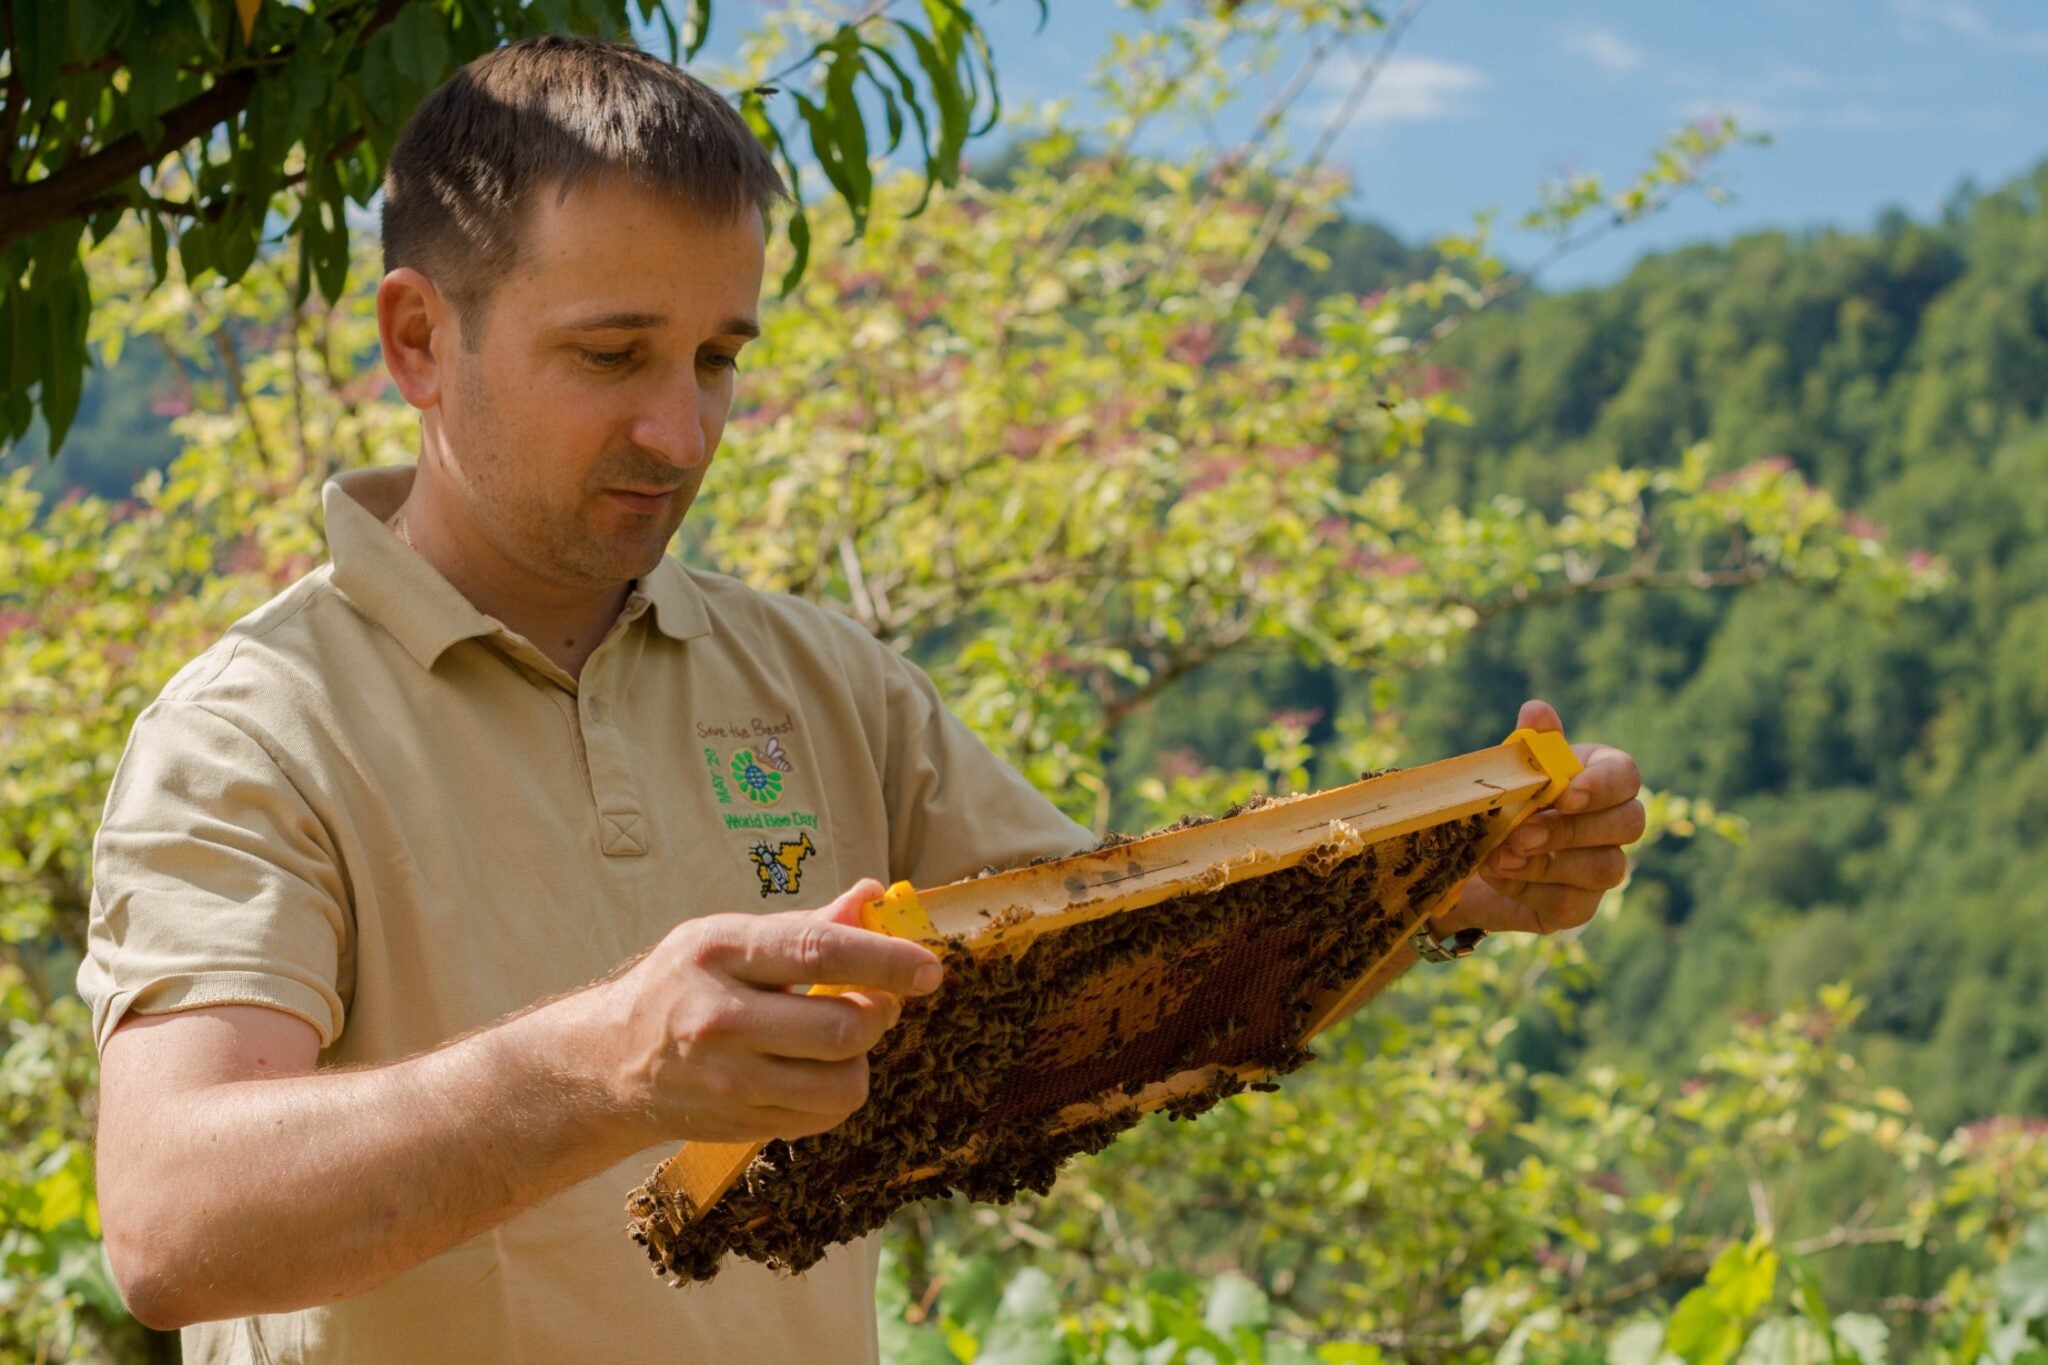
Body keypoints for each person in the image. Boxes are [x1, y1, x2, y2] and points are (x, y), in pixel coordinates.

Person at [79, 34, 1645, 1365]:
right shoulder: (253, 730)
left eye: (717, 357)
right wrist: (601, 1063)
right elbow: (170, 1218)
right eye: (614, 355)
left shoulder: (821, 683)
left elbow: (1135, 997)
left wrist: (1432, 890)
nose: (681, 430)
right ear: (420, 338)